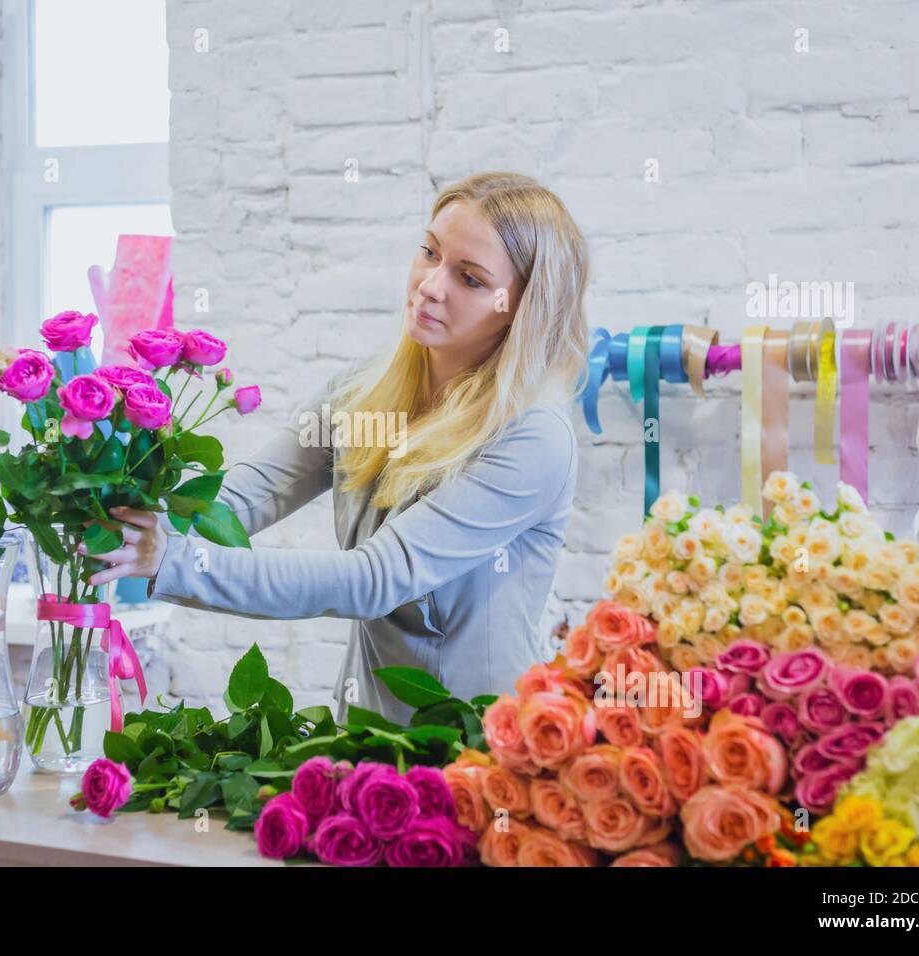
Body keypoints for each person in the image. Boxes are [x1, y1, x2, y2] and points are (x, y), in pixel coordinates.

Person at [83, 171, 592, 724]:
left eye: (469, 278)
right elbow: (248, 496)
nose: (430, 285)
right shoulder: (364, 393)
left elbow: (374, 578)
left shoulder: (532, 435)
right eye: (429, 252)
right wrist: (120, 515)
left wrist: (172, 559)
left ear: (519, 305)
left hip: (478, 751)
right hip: (366, 737)